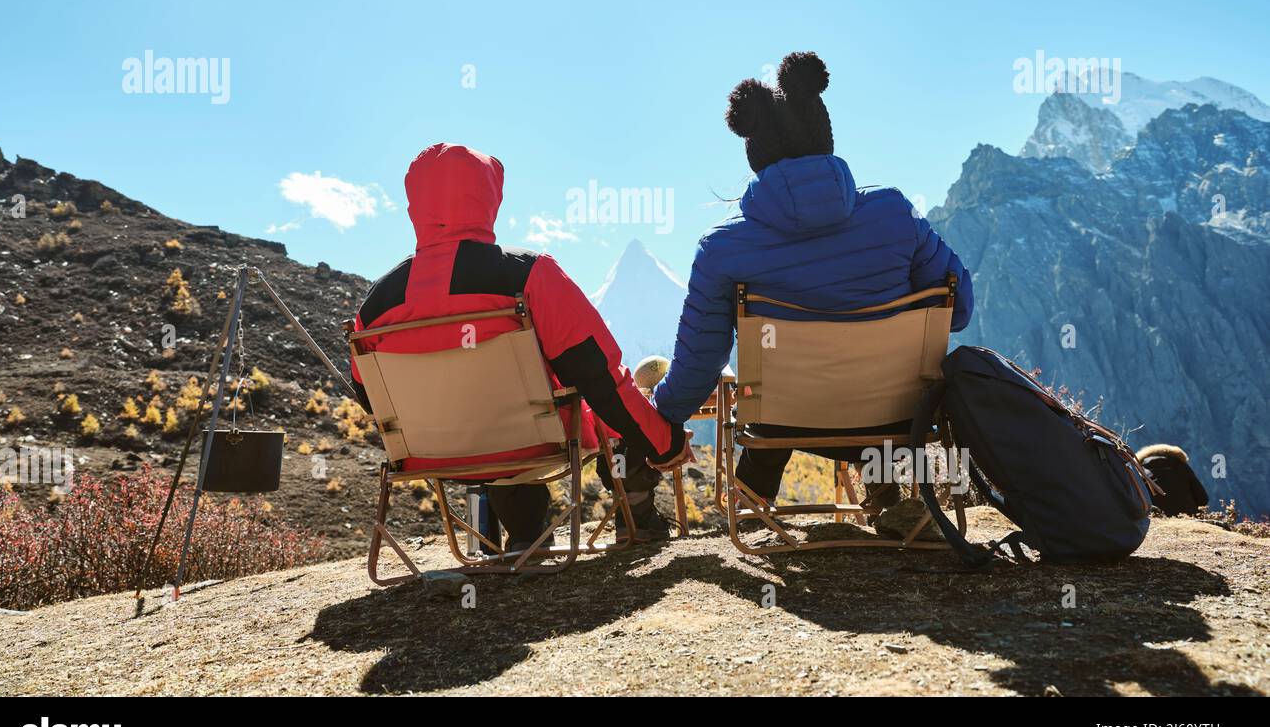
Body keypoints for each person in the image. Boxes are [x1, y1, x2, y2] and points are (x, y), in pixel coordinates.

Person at [651, 52, 974, 511]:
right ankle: (886, 494)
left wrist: (660, 418)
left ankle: (752, 500)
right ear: (826, 137)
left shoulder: (723, 249)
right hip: (892, 419)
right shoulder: (895, 214)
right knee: (862, 394)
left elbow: (699, 364)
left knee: (776, 392)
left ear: (754, 152)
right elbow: (957, 310)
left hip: (782, 421)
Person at [349, 143, 691, 553]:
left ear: (413, 207)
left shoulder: (376, 305)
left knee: (488, 419)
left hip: (432, 454)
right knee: (604, 407)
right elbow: (599, 375)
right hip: (532, 442)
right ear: (490, 198)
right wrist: (664, 442)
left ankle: (524, 536)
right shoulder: (530, 275)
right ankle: (636, 520)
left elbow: (372, 397)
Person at [1136, 444, 1209, 516]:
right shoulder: (1183, 468)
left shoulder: (1140, 472)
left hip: (1154, 519)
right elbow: (1203, 499)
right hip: (1187, 517)